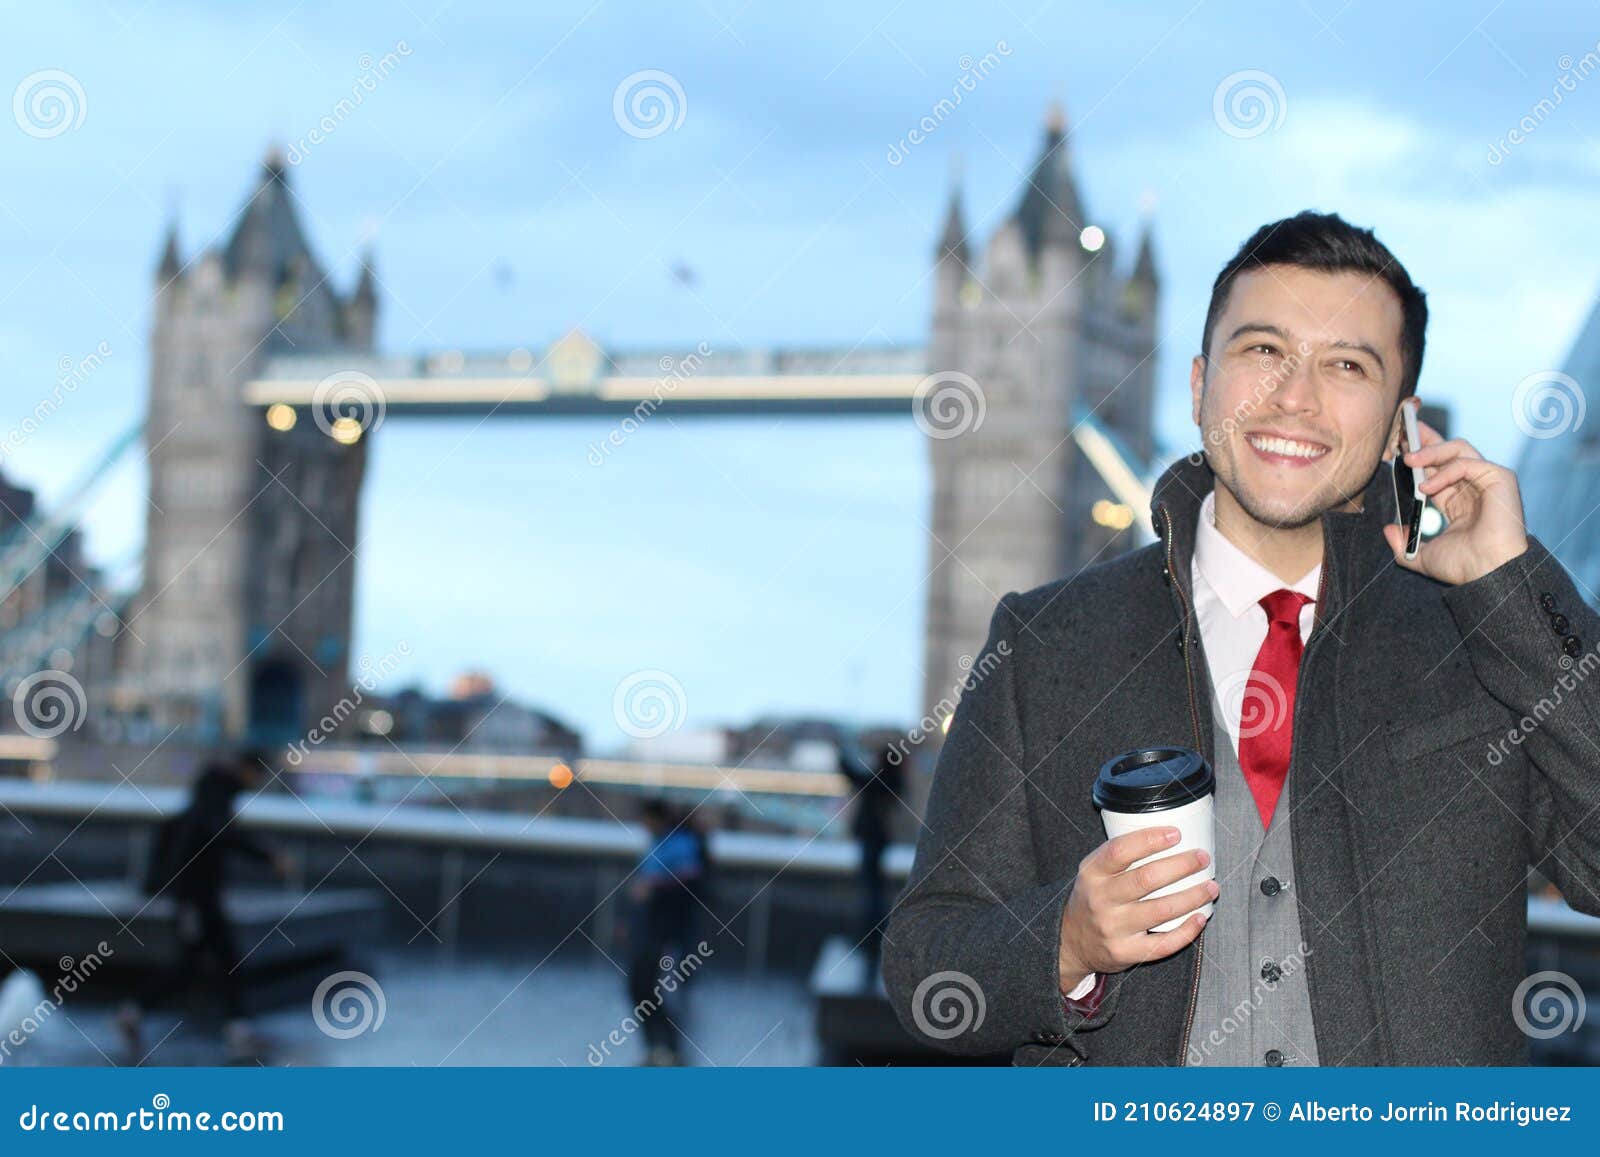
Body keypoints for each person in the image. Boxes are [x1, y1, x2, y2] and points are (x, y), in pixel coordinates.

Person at [884, 211, 1600, 1066]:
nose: (1295, 396)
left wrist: (1512, 583)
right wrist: (1065, 942)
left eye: (1346, 364)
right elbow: (927, 972)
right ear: (1197, 387)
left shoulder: (1480, 638)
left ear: (1401, 425)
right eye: (1264, 351)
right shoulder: (1044, 642)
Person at [116, 748, 291, 1062]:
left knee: (216, 960)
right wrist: (267, 856)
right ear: (249, 771)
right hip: (197, 897)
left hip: (198, 895)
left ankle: (234, 1028)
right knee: (202, 962)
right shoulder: (216, 796)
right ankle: (137, 1010)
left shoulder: (212, 792)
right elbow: (223, 834)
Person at [624, 799, 706, 1066]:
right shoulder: (658, 843)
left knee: (659, 988)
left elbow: (688, 880)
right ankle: (656, 1047)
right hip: (648, 928)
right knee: (639, 986)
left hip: (668, 933)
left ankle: (670, 1049)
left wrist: (653, 887)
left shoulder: (681, 844)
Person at [838, 737, 903, 970]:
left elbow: (857, 778)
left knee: (871, 891)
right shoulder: (892, 778)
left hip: (872, 840)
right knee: (874, 889)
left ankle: (870, 938)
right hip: (878, 839)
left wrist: (841, 754)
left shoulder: (883, 778)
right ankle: (872, 938)